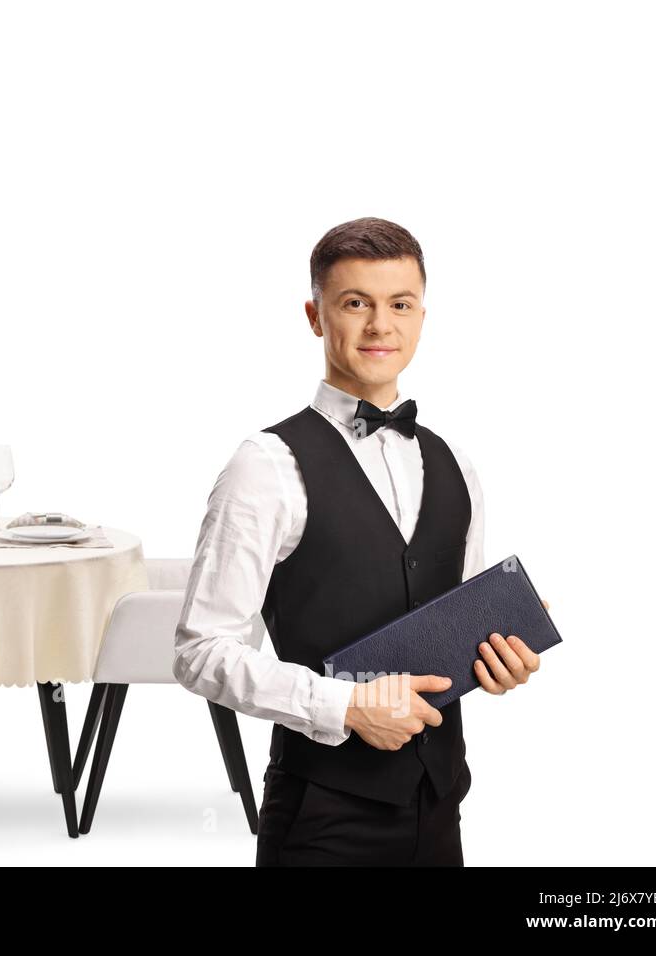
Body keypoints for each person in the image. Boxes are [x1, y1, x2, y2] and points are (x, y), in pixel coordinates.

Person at [172, 217, 544, 866]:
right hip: (323, 817)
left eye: (400, 304)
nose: (380, 326)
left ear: (422, 316)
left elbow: (458, 628)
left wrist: (496, 665)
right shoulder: (264, 464)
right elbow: (200, 650)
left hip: (440, 805)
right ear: (316, 316)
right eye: (355, 304)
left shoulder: (457, 464)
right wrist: (343, 705)